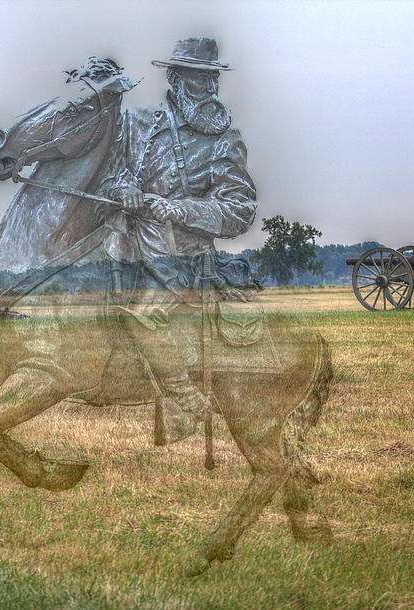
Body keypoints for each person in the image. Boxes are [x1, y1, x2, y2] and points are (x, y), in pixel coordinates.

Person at [99, 37, 257, 442]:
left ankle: (187, 400)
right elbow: (112, 174)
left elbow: (239, 208)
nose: (206, 87)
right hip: (124, 244)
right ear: (175, 77)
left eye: (210, 78)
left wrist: (183, 209)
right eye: (196, 77)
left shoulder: (224, 136)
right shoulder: (135, 123)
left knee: (145, 317)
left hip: (182, 256)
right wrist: (125, 191)